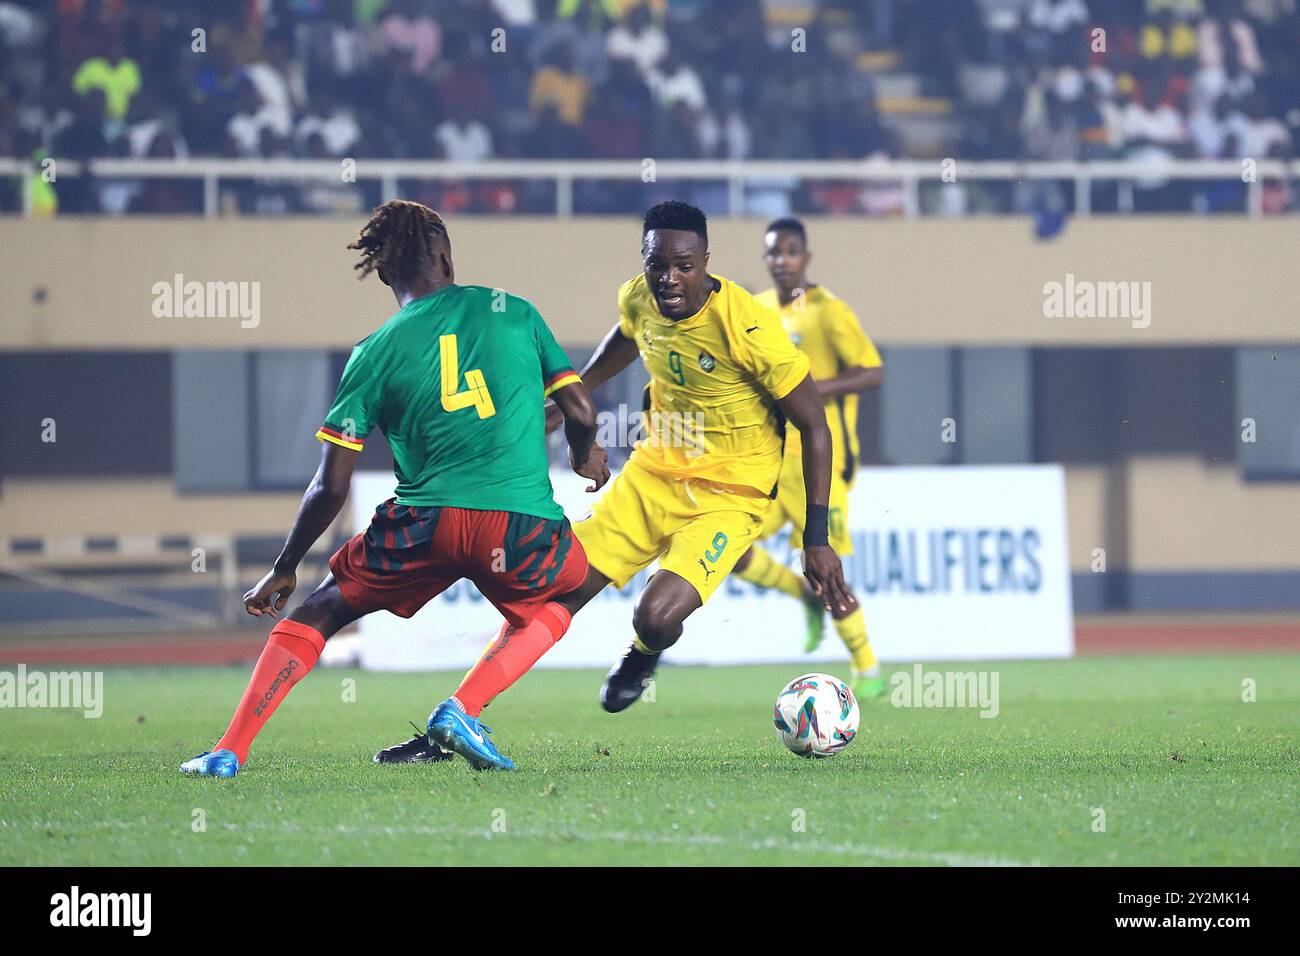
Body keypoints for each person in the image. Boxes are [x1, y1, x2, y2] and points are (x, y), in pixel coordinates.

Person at [181, 200, 606, 777]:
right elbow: (578, 407)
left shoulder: (373, 352)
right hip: (518, 523)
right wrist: (587, 457)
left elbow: (331, 485)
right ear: (445, 254)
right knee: (564, 596)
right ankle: (461, 709)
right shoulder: (514, 312)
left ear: (382, 271)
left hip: (425, 524)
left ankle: (230, 749)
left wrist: (285, 565)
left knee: (323, 607)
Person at [734, 218, 887, 699]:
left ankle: (868, 670)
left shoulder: (827, 311)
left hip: (817, 466)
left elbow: (872, 371)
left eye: (791, 252)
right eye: (773, 254)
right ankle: (798, 594)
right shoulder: (754, 309)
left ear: (807, 258)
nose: (781, 261)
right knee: (728, 550)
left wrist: (810, 391)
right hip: (766, 461)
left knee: (829, 567)